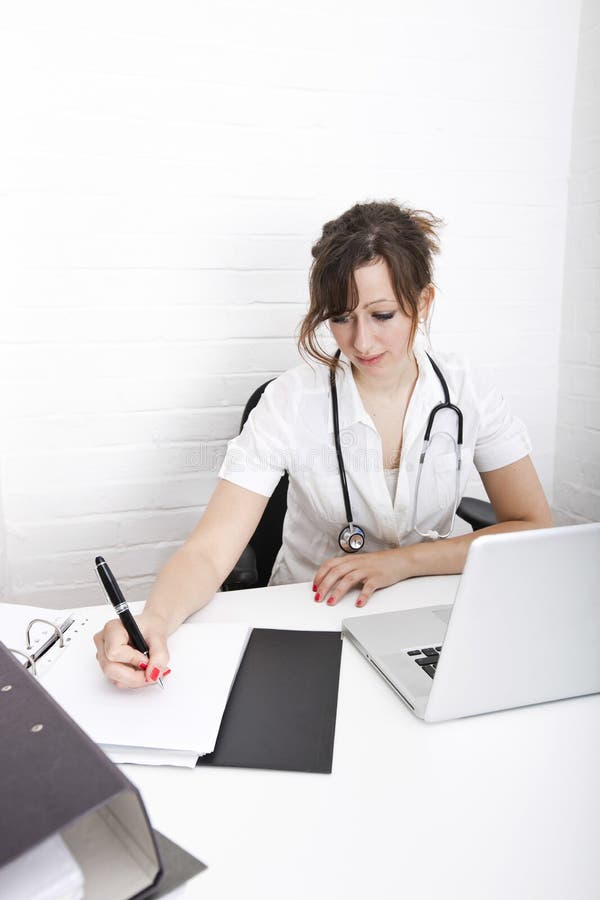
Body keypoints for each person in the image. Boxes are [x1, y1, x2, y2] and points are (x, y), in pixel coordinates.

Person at [94, 201, 552, 688]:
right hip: (311, 616)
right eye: (340, 318)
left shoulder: (468, 391)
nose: (362, 342)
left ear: (424, 302)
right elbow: (209, 553)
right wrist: (156, 621)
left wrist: (401, 563)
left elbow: (533, 525)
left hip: (432, 612)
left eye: (382, 315)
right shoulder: (291, 401)